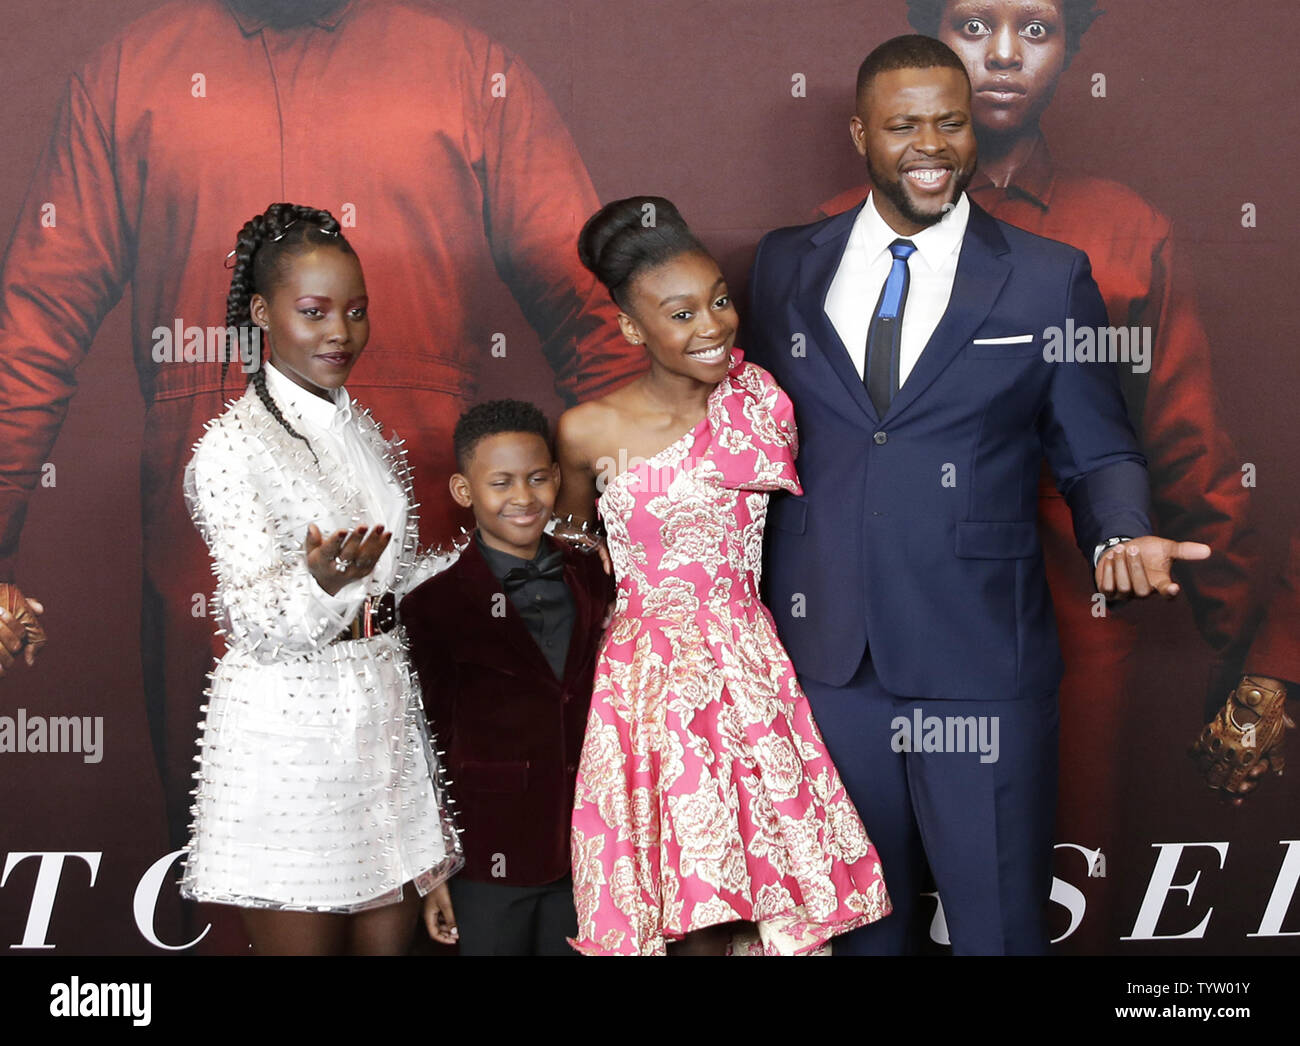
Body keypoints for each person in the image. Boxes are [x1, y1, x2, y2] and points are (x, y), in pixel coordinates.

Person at [0, 0, 643, 854]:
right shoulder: (129, 77)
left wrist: (644, 522)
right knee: (250, 868)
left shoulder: (467, 71)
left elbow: (593, 313)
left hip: (441, 547)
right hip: (220, 561)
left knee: (454, 855)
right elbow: (34, 327)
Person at [745, 35, 1210, 955]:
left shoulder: (1048, 278)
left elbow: (1097, 446)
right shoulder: (783, 265)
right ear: (859, 134)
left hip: (982, 663)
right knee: (854, 934)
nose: (932, 144)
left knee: (998, 929)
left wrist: (1123, 530)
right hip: (825, 661)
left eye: (950, 122)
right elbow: (740, 432)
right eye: (904, 124)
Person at [817, 0, 1293, 822]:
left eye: (1036, 30)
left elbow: (1190, 453)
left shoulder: (1123, 229)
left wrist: (1259, 662)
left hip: (1073, 606)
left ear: (1071, 49)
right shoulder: (828, 241)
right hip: (868, 622)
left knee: (1053, 878)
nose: (1004, 55)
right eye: (974, 27)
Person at [555, 196, 891, 956]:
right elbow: (572, 539)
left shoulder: (762, 402)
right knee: (680, 902)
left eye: (718, 301)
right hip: (644, 681)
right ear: (632, 328)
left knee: (762, 900)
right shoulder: (586, 430)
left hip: (748, 665)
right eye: (680, 315)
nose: (711, 326)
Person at [181, 202, 461, 955]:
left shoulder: (358, 427)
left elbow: (388, 580)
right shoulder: (230, 448)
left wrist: (495, 548)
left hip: (381, 720)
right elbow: (250, 622)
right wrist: (319, 583)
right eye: (314, 312)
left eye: (356, 311)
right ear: (264, 312)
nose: (341, 331)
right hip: (289, 744)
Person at [401, 400, 614, 956]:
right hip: (489, 856)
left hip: (595, 846)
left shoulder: (594, 572)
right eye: (501, 483)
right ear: (463, 490)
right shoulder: (432, 606)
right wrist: (435, 871)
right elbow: (425, 747)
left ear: (559, 478)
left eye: (537, 478)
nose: (523, 497)